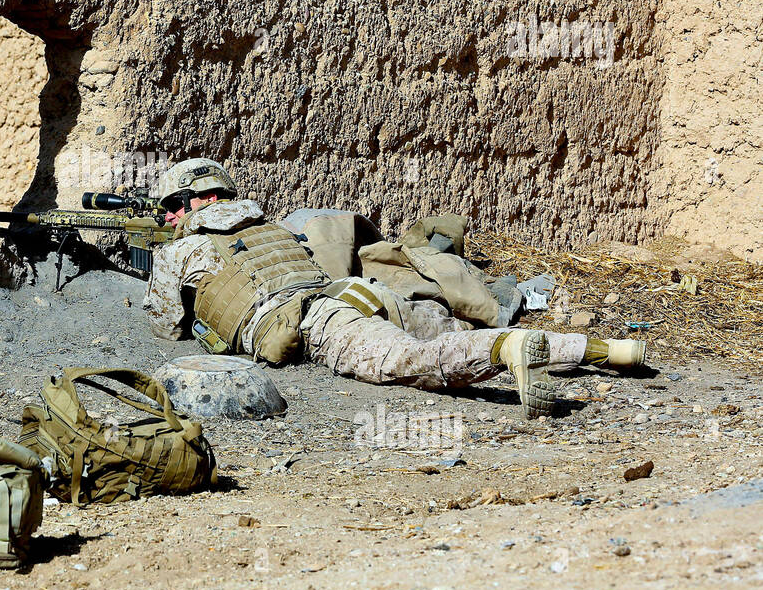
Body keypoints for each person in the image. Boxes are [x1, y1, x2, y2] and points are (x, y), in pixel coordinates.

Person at [144, 159, 645, 418]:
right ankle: (610, 351)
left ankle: (508, 348)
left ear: (202, 199)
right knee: (446, 332)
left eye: (171, 206)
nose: (167, 218)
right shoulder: (270, 225)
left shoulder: (179, 250)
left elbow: (167, 328)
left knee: (414, 364)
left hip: (319, 320)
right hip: (360, 293)